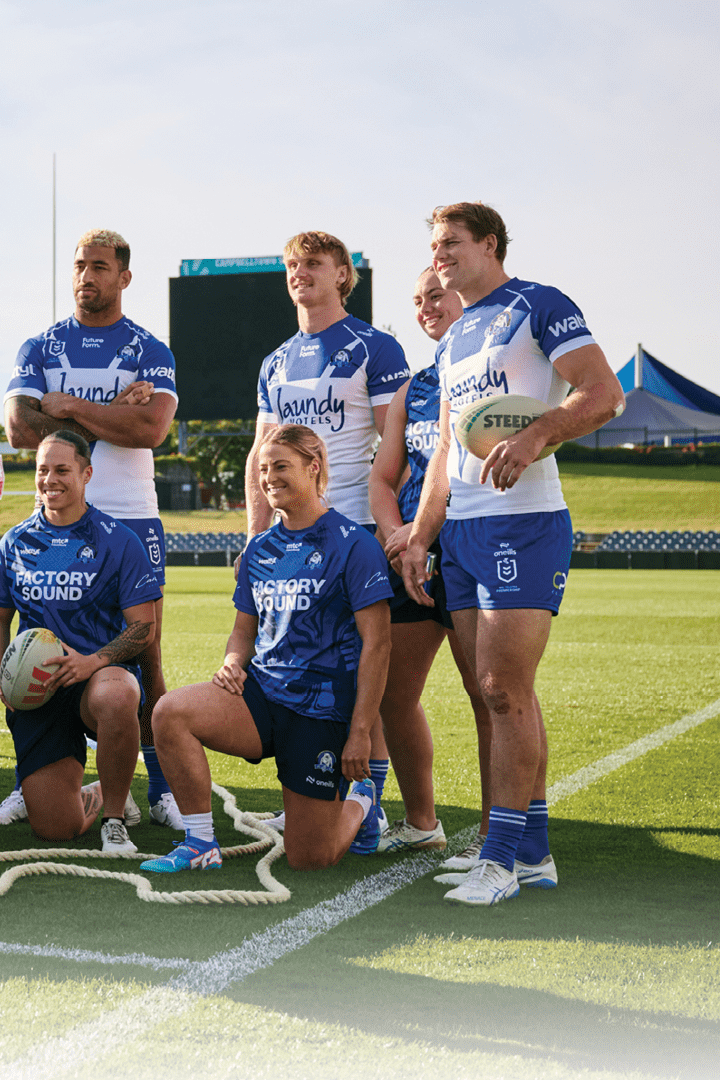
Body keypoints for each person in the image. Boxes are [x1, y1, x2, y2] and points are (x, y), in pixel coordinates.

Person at [400, 203, 624, 906]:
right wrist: (418, 534)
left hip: (522, 522)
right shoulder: (454, 337)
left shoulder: (539, 304)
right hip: (461, 528)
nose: (439, 256)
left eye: (450, 244)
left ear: (489, 244)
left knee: (503, 688)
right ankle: (531, 853)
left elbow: (604, 393)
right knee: (489, 693)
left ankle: (498, 859)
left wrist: (538, 436)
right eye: (433, 246)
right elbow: (443, 448)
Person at [0, 228, 184, 832]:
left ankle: (158, 787)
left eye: (100, 266)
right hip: (55, 505)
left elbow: (152, 429)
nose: (86, 276)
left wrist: (69, 406)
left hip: (129, 513)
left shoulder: (150, 347)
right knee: (38, 642)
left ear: (123, 277)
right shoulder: (41, 344)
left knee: (143, 651)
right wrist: (112, 411)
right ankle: (37, 780)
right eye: (80, 265)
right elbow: (23, 428)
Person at [144, 424, 389, 873]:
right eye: (263, 468)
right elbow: (243, 630)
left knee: (309, 859)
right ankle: (200, 842)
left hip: (322, 710)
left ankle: (360, 799)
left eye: (281, 466)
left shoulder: (354, 544)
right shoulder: (258, 548)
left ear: (314, 468)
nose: (269, 477)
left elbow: (377, 644)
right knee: (169, 712)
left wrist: (361, 732)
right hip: (261, 696)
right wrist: (233, 662)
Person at [244, 231, 410, 846]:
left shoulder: (376, 346)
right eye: (292, 265)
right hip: (287, 542)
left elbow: (398, 444)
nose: (300, 273)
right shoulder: (276, 360)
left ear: (343, 275)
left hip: (356, 533)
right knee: (295, 664)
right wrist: (256, 533)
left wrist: (396, 527)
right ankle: (313, 795)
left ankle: (370, 794)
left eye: (313, 264)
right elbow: (261, 453)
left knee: (366, 668)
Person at [0, 431, 163, 852]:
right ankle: (101, 788)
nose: (50, 479)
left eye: (62, 470)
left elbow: (143, 627)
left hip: (95, 679)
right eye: (43, 470)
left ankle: (115, 818)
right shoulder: (16, 542)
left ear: (86, 474)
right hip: (38, 691)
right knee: (56, 830)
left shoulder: (117, 539)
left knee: (120, 694)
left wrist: (92, 662)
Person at [364, 269, 483, 856]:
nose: (425, 307)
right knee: (392, 693)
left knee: (487, 694)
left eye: (435, 294)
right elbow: (382, 477)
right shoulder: (415, 387)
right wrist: (398, 535)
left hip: (469, 547)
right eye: (417, 301)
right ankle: (421, 823)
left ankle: (499, 834)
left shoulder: (489, 376)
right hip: (412, 554)